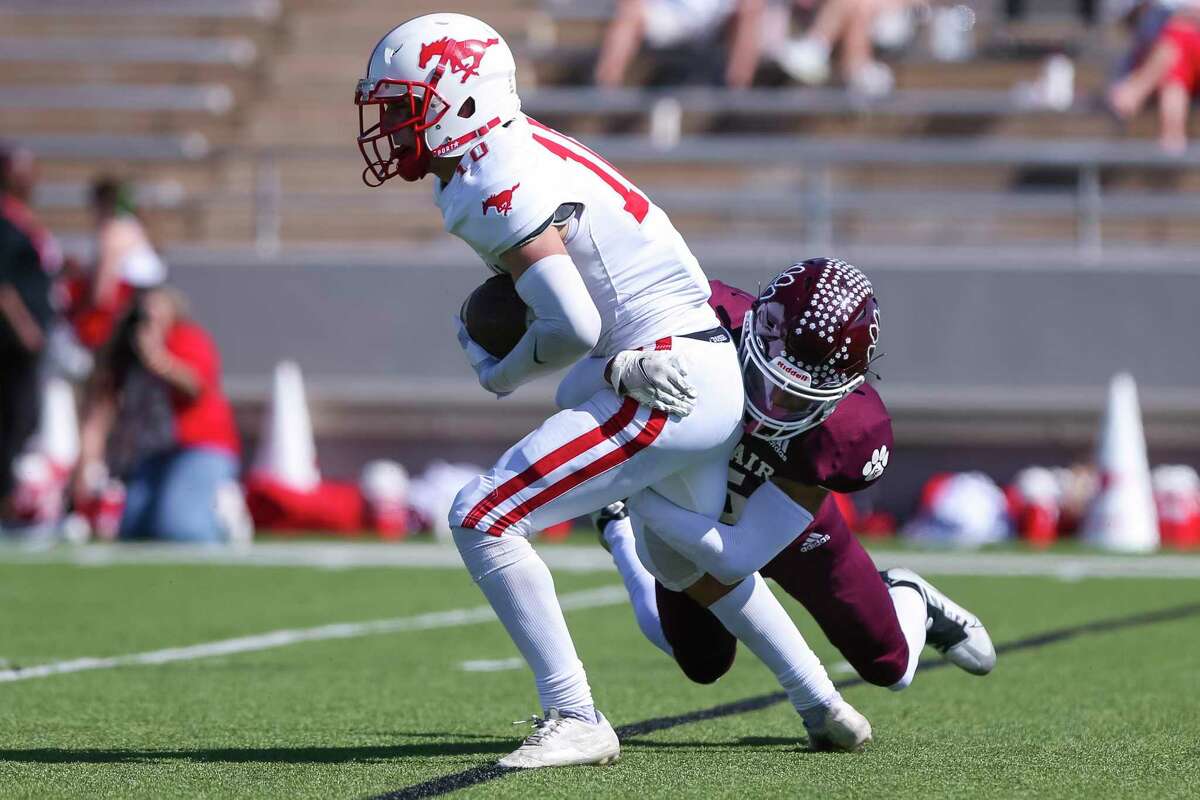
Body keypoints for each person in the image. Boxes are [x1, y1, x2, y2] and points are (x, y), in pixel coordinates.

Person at [355, 13, 867, 767]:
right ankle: (820, 700)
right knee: (683, 565)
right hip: (702, 358)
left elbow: (571, 319)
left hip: (662, 372)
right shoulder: (518, 147)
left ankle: (575, 715)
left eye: (403, 105)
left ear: (456, 98)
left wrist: (501, 370)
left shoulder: (488, 175)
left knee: (483, 515)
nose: (392, 125)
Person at [594, 261, 996, 739]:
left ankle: (911, 596)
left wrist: (637, 498)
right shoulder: (698, 314)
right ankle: (619, 533)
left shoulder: (850, 433)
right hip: (694, 508)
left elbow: (740, 556)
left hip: (785, 518)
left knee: (893, 667)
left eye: (798, 400)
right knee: (701, 663)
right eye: (768, 382)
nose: (773, 408)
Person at [73, 287, 240, 542]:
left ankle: (224, 517)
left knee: (179, 529)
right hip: (155, 452)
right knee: (133, 531)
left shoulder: (187, 339)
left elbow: (194, 387)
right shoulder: (125, 352)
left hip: (198, 447)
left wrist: (156, 357)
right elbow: (100, 410)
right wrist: (87, 465)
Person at [0, 145, 60, 517]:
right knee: (11, 419)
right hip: (10, 343)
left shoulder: (22, 219)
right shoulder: (5, 223)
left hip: (24, 342)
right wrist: (25, 328)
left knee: (22, 419)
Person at [68, 176, 167, 351]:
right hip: (154, 304)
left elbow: (102, 292)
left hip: (136, 310)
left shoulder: (112, 231)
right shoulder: (133, 226)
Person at [594, 0, 767, 88]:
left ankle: (738, 89)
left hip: (713, 18)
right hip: (669, 17)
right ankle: (606, 86)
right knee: (629, 12)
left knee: (751, 7)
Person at [1108, 2, 1200, 152]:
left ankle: (1135, 91)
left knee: (1176, 39)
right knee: (1175, 59)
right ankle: (1173, 138)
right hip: (1176, 63)